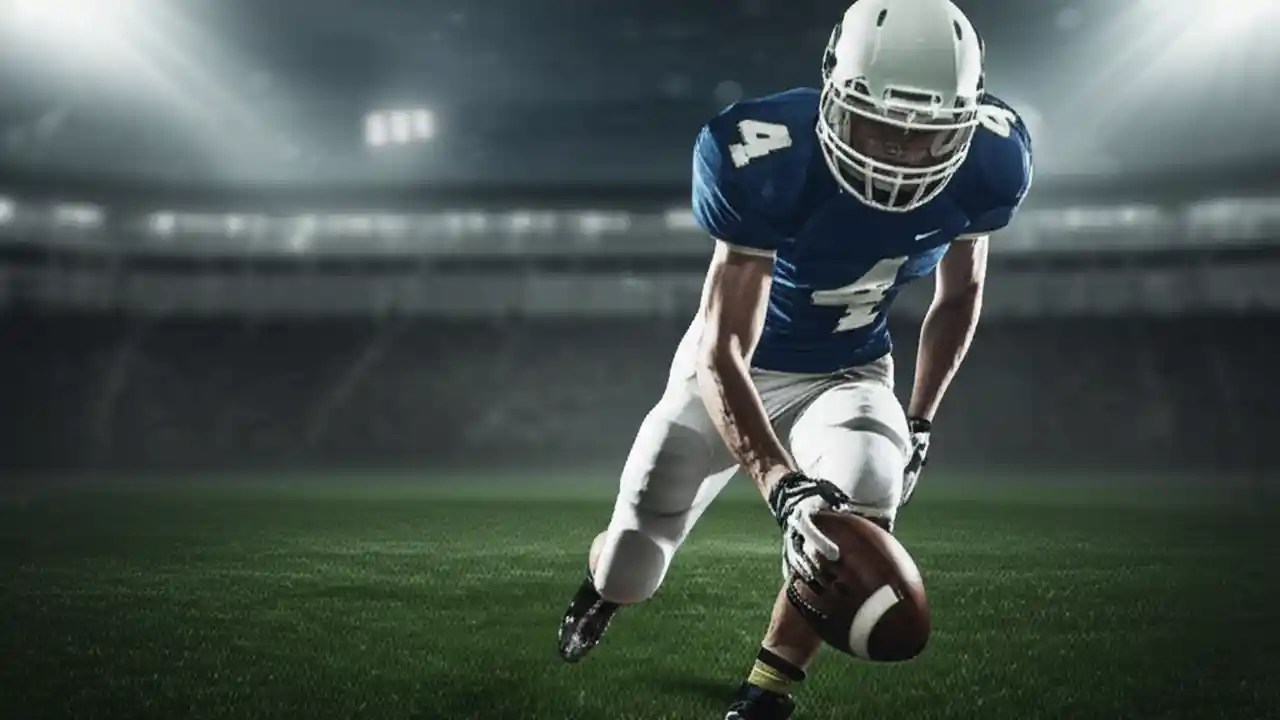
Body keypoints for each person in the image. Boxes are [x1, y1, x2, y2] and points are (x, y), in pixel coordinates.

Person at [558, 1, 1033, 717]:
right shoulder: (761, 156)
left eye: (928, 135)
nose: (901, 152)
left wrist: (922, 419)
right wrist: (782, 484)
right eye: (881, 124)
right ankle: (602, 589)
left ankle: (766, 695)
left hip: (849, 372)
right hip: (730, 374)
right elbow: (723, 348)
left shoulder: (992, 164)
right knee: (634, 566)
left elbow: (960, 295)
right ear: (833, 96)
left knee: (872, 487)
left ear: (966, 125)